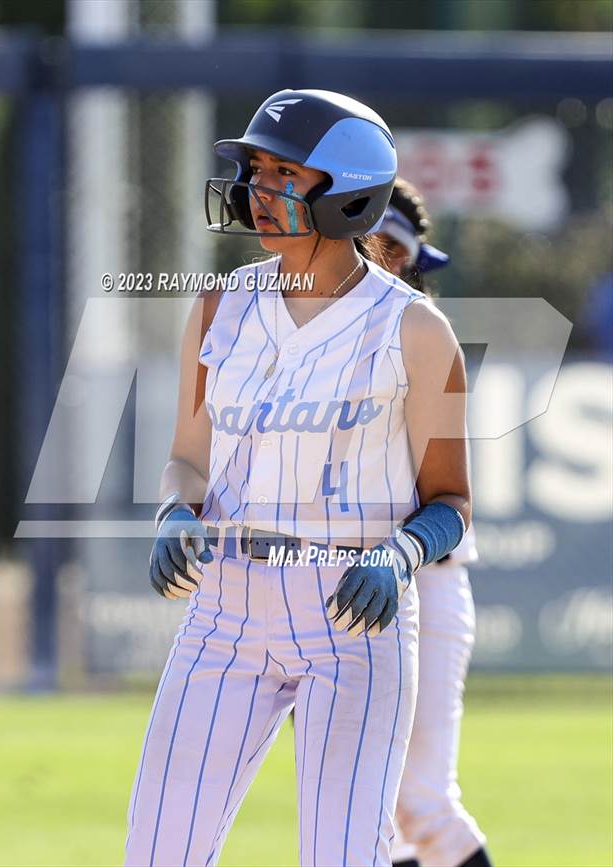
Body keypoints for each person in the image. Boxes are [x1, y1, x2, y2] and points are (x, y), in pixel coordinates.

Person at [124, 89, 472, 867]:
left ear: (349, 194)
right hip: (224, 614)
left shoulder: (415, 329)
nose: (258, 186)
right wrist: (174, 513)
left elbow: (451, 502)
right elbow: (189, 460)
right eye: (254, 167)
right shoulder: (220, 306)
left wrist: (400, 555)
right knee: (156, 855)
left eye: (285, 170)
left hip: (352, 623)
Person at [377, 179, 492, 867]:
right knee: (370, 813)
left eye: (403, 252)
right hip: (338, 592)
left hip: (426, 579)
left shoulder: (420, 337)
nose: (393, 264)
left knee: (421, 802)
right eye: (378, 244)